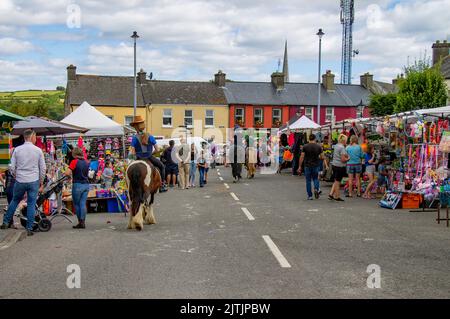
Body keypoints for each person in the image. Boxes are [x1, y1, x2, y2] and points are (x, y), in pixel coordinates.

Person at [1, 130, 46, 236]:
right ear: (32, 137)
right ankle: (29, 228)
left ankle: (6, 222)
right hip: (33, 180)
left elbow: (11, 166)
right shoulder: (38, 150)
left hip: (20, 179)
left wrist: (15, 175)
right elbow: (42, 168)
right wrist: (41, 180)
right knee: (31, 204)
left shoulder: (17, 150)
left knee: (15, 201)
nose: (36, 139)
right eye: (35, 137)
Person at [129, 115, 167, 192]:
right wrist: (151, 153)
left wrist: (133, 159)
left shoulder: (134, 138)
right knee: (162, 166)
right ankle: (162, 184)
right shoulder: (150, 136)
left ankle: (130, 186)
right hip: (149, 157)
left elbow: (132, 152)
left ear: (135, 127)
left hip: (138, 158)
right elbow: (157, 149)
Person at [65, 147, 90, 229]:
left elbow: (67, 173)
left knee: (77, 204)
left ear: (74, 154)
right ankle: (83, 222)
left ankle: (80, 222)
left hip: (77, 184)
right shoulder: (87, 162)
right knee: (83, 203)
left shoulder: (74, 162)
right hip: (86, 185)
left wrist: (69, 176)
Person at [298, 134, 324, 200]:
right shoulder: (319, 146)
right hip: (316, 165)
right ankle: (316, 188)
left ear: (309, 139)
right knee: (316, 179)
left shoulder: (305, 146)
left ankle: (310, 196)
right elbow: (322, 157)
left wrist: (299, 166)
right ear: (315, 139)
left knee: (308, 181)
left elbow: (302, 156)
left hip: (307, 165)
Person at [328, 134, 349, 201]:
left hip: (334, 165)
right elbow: (343, 159)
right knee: (338, 181)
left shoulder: (337, 146)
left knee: (336, 180)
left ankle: (331, 194)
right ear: (344, 140)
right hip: (340, 166)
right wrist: (348, 159)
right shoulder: (342, 147)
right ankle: (337, 196)